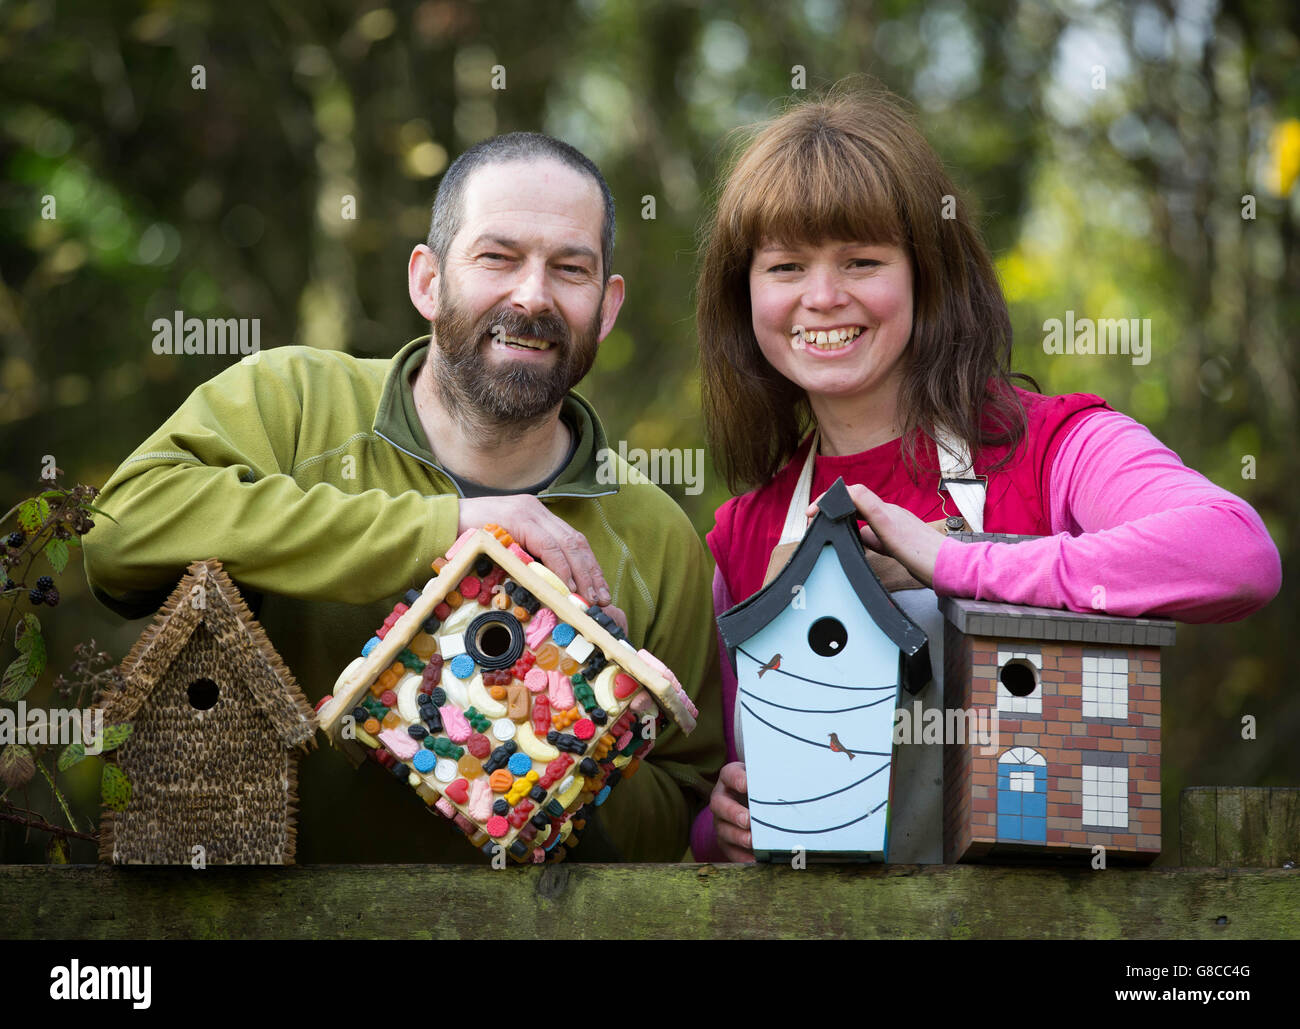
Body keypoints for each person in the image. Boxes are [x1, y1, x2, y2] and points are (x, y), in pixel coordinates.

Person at [83, 132, 723, 862]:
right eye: (498, 257)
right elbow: (117, 534)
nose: (533, 295)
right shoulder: (293, 403)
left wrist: (581, 733)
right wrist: (443, 527)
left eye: (569, 269)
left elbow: (683, 816)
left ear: (606, 308)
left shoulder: (657, 535)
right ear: (427, 280)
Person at [689, 85, 1282, 864]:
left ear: (926, 275)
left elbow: (1235, 555)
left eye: (862, 260)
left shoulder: (1052, 446)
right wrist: (718, 826)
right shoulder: (741, 533)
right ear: (746, 296)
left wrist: (958, 563)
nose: (822, 296)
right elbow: (698, 788)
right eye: (786, 266)